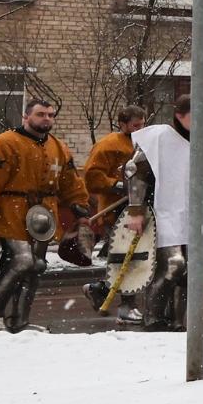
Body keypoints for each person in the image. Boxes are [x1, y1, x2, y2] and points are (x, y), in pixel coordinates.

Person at [0, 97, 89, 333]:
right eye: (41, 114)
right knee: (23, 261)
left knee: (37, 265)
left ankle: (21, 319)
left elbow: (70, 180)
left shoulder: (58, 147)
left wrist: (78, 205)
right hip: (11, 210)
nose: (47, 119)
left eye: (50, 115)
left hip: (44, 214)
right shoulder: (4, 143)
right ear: (26, 116)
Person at [122, 95, 203, 332]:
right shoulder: (159, 138)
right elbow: (134, 172)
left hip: (197, 212)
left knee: (194, 268)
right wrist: (136, 210)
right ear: (179, 115)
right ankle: (154, 317)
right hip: (165, 209)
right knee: (173, 264)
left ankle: (179, 321)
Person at [82, 106, 148, 323]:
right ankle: (127, 306)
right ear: (123, 124)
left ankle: (99, 289)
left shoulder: (144, 145)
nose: (141, 128)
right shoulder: (108, 145)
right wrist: (118, 185)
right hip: (116, 211)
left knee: (135, 257)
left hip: (140, 210)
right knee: (128, 257)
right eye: (136, 125)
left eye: (143, 124)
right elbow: (92, 176)